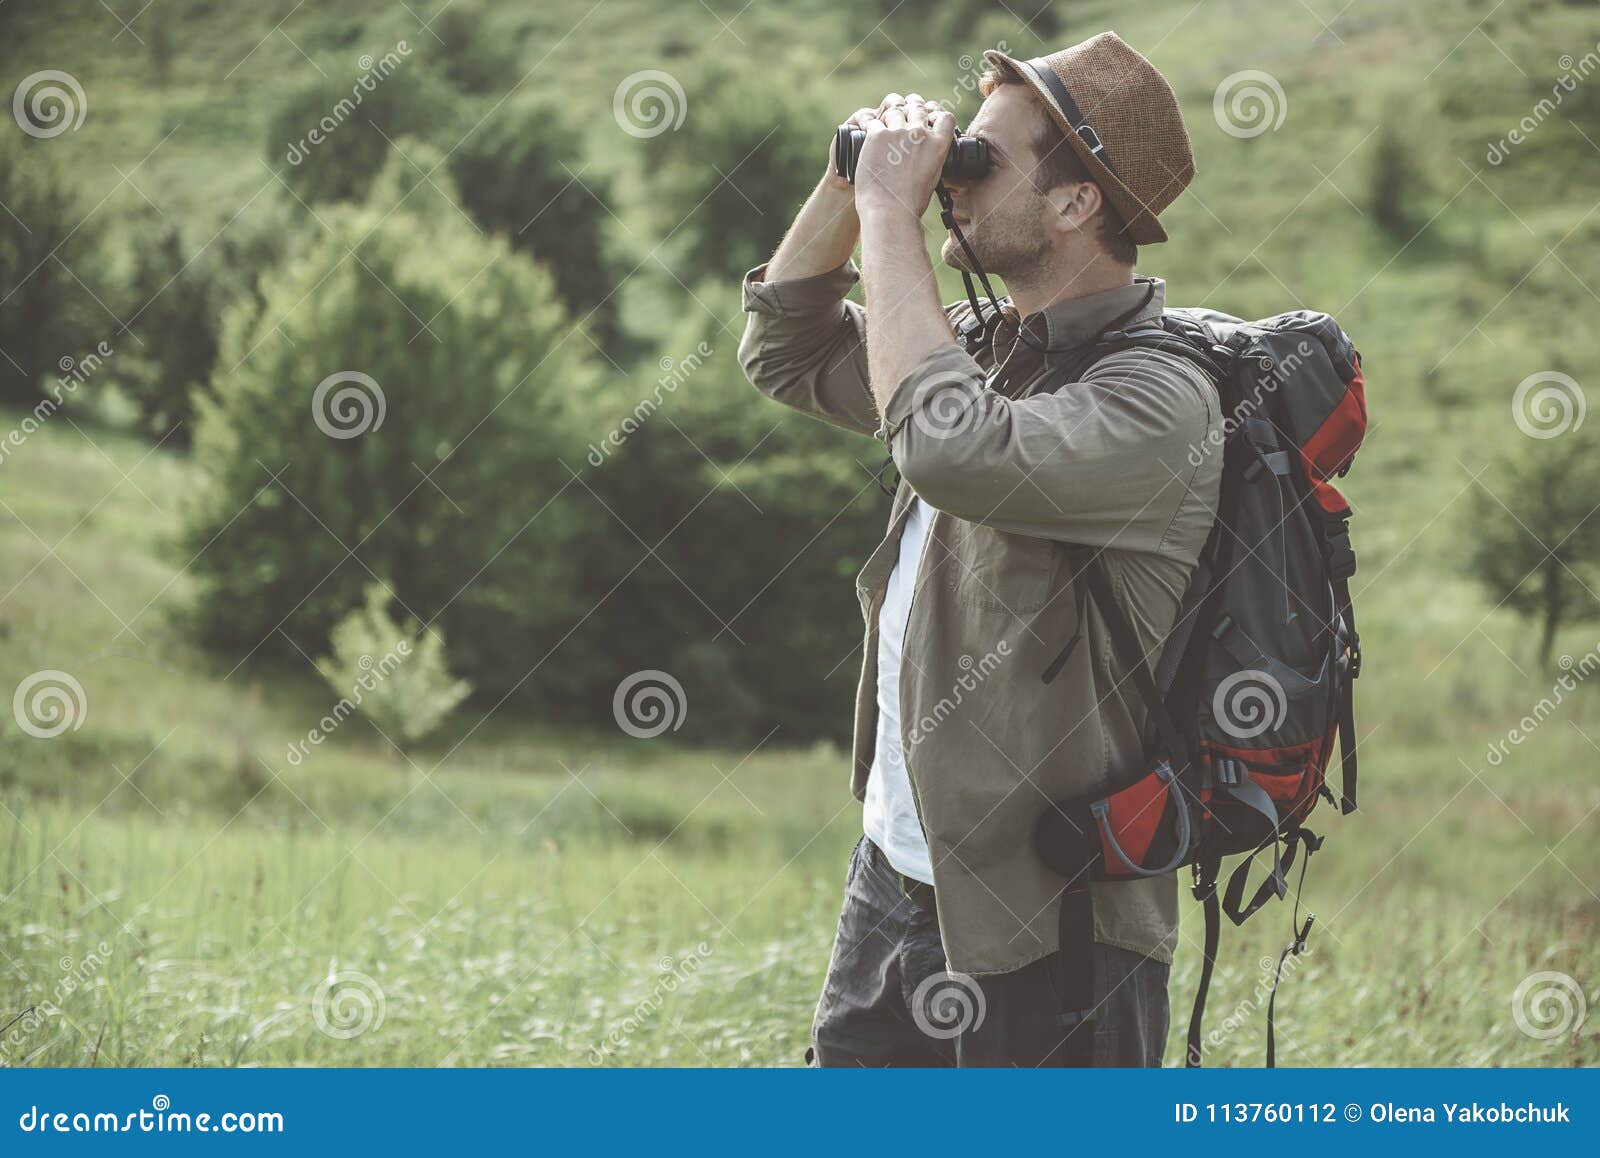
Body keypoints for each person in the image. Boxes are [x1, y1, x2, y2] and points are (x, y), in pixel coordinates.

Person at [738, 31, 1221, 1067]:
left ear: (1075, 203)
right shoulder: (988, 351)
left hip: (1052, 925)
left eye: (978, 159)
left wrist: (885, 214)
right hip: (896, 881)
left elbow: (948, 450)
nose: (949, 178)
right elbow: (782, 348)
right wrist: (847, 177)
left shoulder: (1158, 401)